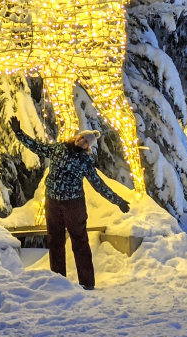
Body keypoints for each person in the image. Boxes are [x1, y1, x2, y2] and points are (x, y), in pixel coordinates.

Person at [10, 117, 130, 290]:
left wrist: (117, 200)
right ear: (77, 137)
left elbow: (98, 184)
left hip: (74, 204)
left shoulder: (85, 161)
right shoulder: (58, 149)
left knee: (79, 241)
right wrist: (19, 133)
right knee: (55, 240)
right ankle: (58, 281)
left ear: (88, 147)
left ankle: (87, 283)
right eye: (81, 138)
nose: (82, 142)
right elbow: (37, 147)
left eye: (86, 143)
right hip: (52, 201)